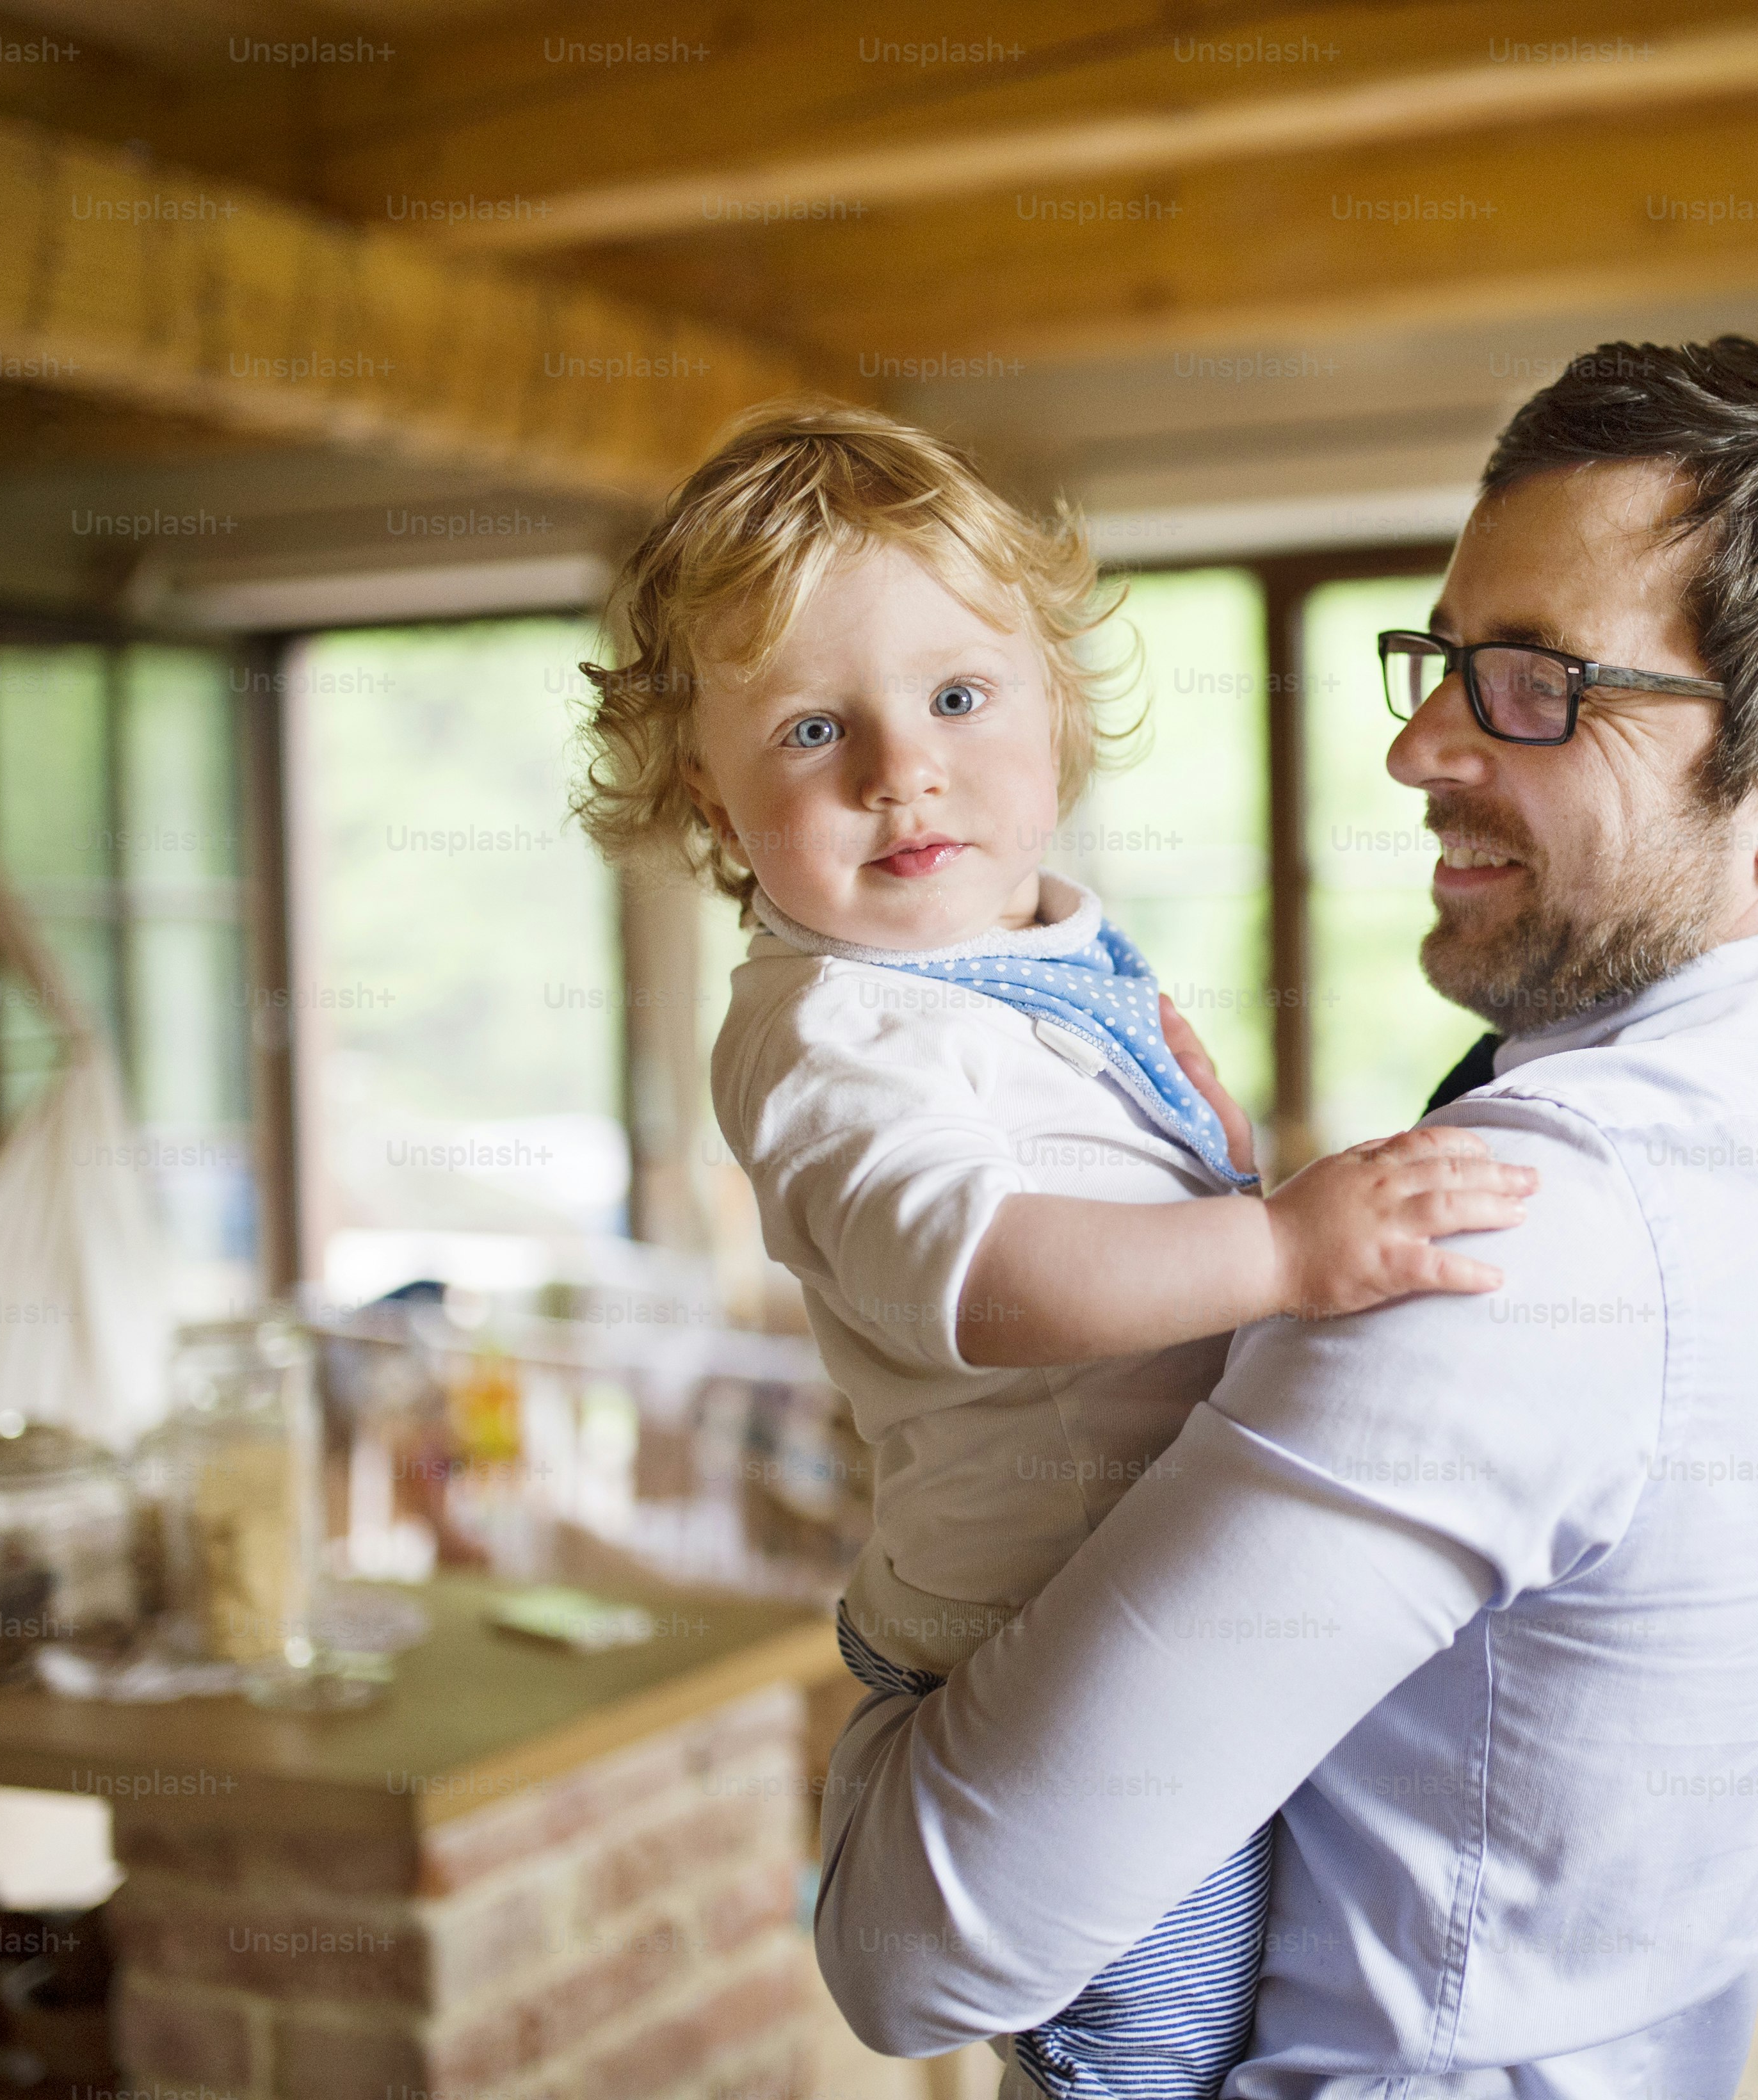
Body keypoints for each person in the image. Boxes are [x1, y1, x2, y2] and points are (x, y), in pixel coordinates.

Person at [813, 336, 1758, 2097]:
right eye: (1447, 658)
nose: (1416, 743)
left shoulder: (1525, 1243)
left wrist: (891, 1684)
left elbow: (922, 1943)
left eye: (1536, 680)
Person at [574, 400, 1537, 2100]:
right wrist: (1284, 1249)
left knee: (1258, 1965)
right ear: (711, 809)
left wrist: (1225, 1162)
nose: (901, 768)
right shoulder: (831, 1037)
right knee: (1153, 2026)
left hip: (1142, 1573)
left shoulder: (1042, 948)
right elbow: (992, 1276)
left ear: (1056, 714)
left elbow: (1124, 1176)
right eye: (812, 730)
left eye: (957, 696)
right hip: (1031, 1626)